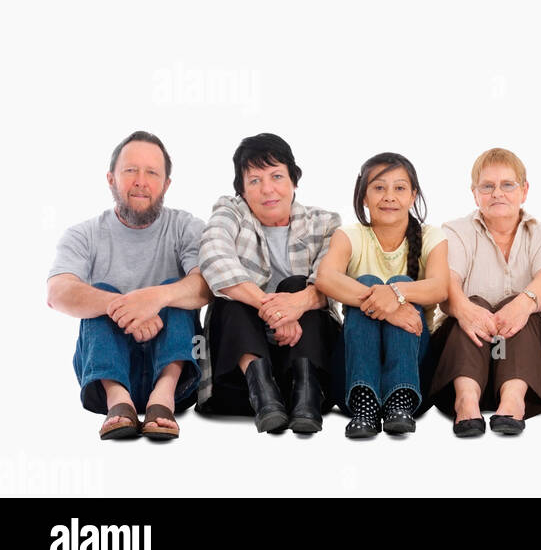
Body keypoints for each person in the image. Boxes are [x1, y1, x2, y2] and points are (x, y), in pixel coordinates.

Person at [47, 131, 211, 440]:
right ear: (111, 178)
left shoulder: (186, 227)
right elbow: (57, 293)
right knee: (100, 290)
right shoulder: (83, 234)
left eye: (152, 172)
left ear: (166, 184)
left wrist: (155, 297)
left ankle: (162, 397)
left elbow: (207, 287)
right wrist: (123, 307)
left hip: (181, 375)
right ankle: (118, 399)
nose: (140, 180)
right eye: (130, 170)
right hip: (101, 375)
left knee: (177, 286)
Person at [197, 133, 341, 435]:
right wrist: (274, 309)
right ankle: (265, 397)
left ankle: (306, 399)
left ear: (293, 181)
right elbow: (214, 260)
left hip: (311, 359)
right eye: (254, 181)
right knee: (230, 296)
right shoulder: (230, 212)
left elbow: (331, 282)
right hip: (240, 377)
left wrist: (296, 302)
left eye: (276, 176)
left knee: (298, 283)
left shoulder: (325, 223)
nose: (267, 189)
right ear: (242, 191)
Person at [420, 148, 541, 437]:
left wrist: (522, 305)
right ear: (475, 194)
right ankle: (466, 401)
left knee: (519, 303)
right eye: (487, 186)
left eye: (507, 185)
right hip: (462, 358)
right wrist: (465, 309)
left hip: (531, 367)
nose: (497, 193)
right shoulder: (455, 230)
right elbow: (448, 281)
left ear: (524, 190)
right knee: (471, 303)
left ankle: (512, 400)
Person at [315, 153, 449, 438]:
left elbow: (440, 287)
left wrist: (396, 293)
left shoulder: (432, 236)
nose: (389, 196)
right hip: (351, 378)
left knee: (399, 281)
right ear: (364, 195)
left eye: (400, 188)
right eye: (378, 187)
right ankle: (365, 403)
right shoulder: (349, 235)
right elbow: (325, 278)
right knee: (368, 281)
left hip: (416, 380)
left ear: (413, 196)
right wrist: (388, 306)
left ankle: (398, 399)